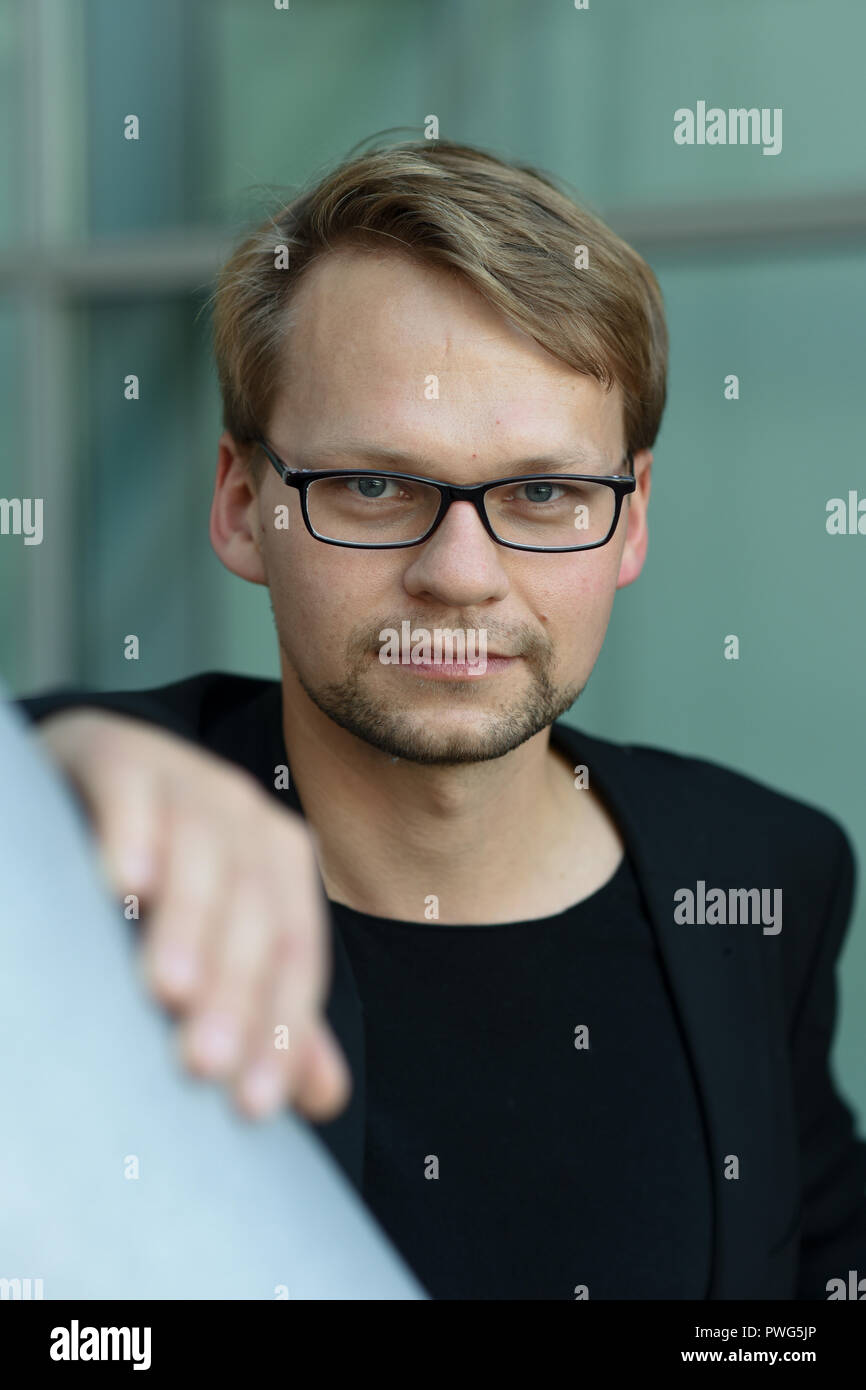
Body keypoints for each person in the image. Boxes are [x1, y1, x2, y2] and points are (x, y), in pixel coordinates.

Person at [19, 139, 866, 1300]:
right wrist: (41, 770)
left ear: (629, 522)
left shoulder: (764, 871)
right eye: (371, 485)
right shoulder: (87, 850)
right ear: (238, 504)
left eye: (542, 492)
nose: (459, 572)